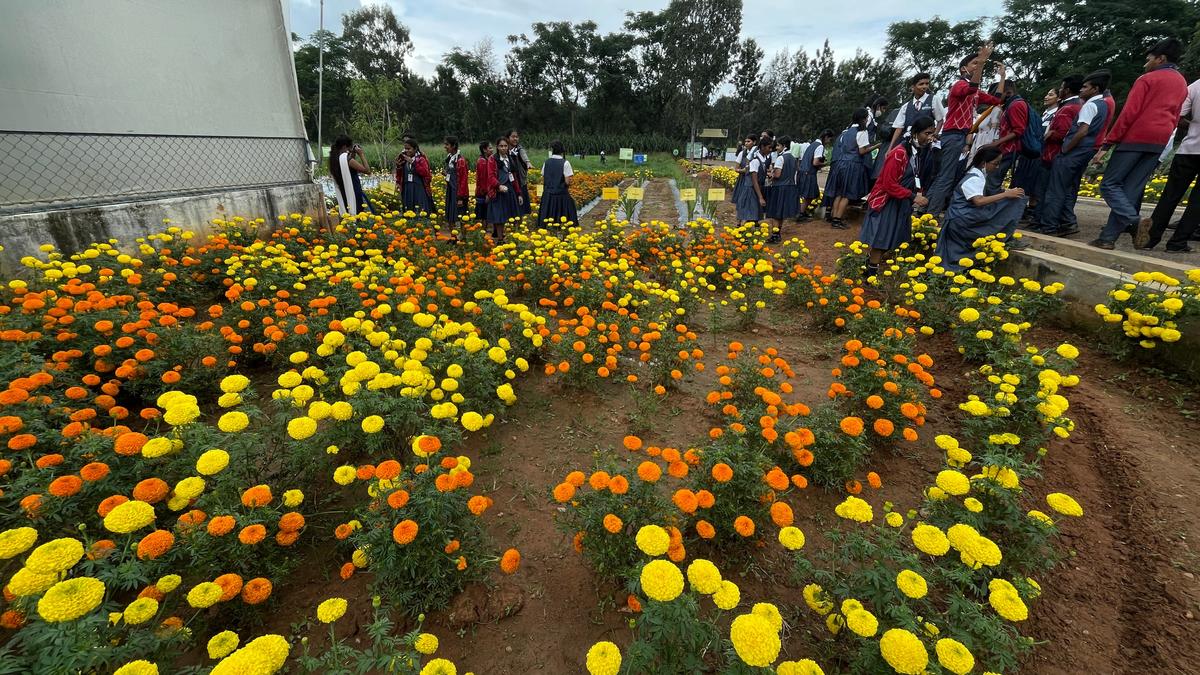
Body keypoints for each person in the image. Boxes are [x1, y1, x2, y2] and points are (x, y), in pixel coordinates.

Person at [1091, 38, 1190, 249]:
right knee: (1130, 190)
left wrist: (1109, 143)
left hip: (1136, 136)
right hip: (1159, 140)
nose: (1146, 63)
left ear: (1160, 58)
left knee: (1109, 184)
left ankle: (1135, 222)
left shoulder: (1148, 79)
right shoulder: (1182, 82)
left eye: (1149, 59)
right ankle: (1108, 238)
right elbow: (1176, 115)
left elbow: (1129, 113)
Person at [925, 44, 1005, 217]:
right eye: (974, 64)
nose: (977, 66)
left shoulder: (975, 92)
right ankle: (930, 215)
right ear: (963, 69)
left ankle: (927, 210)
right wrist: (983, 62)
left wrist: (1003, 77)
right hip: (953, 135)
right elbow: (972, 88)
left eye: (978, 63)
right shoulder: (959, 85)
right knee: (946, 178)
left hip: (960, 136)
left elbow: (996, 100)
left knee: (945, 176)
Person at [1032, 71, 1111, 237]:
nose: (1082, 90)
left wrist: (1066, 148)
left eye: (1085, 87)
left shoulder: (1089, 106)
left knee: (1056, 190)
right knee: (1068, 189)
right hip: (1085, 151)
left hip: (1074, 152)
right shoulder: (1103, 105)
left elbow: (1082, 131)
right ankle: (1067, 222)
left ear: (1095, 89)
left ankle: (1049, 225)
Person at [859, 115, 938, 278]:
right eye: (927, 133)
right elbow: (888, 184)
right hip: (887, 202)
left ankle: (868, 266)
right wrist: (912, 196)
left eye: (932, 134)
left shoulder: (917, 153)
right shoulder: (898, 154)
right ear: (915, 133)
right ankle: (870, 276)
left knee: (890, 239)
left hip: (900, 202)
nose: (930, 137)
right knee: (881, 240)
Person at [935, 146, 1030, 269]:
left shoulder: (978, 175)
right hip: (962, 219)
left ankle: (1005, 236)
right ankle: (1005, 236)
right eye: (995, 163)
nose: (997, 167)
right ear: (984, 163)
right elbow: (978, 201)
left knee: (1008, 200)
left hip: (962, 216)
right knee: (1011, 202)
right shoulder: (974, 178)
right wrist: (1006, 194)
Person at [1141, 74, 1200, 252]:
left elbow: (1178, 115)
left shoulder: (1196, 85)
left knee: (1170, 194)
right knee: (1197, 201)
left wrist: (1193, 126)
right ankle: (1178, 242)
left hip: (1188, 149)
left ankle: (1150, 239)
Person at [1028, 76, 1084, 228]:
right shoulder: (1074, 106)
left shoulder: (1069, 108)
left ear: (1066, 90)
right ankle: (1040, 220)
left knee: (1047, 191)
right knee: (1046, 190)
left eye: (1061, 88)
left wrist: (1049, 134)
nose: (1059, 90)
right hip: (1054, 154)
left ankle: (1047, 224)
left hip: (1053, 154)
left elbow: (1064, 132)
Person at [827, 108, 879, 230]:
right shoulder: (861, 131)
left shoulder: (846, 132)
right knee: (847, 194)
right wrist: (877, 146)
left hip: (841, 163)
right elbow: (862, 151)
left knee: (839, 193)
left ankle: (835, 218)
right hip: (852, 165)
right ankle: (838, 220)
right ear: (864, 119)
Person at [1020, 86, 1062, 220]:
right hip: (1035, 150)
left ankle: (1033, 209)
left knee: (1036, 181)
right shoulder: (1045, 113)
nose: (1046, 97)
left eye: (1050, 94)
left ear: (1058, 98)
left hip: (1043, 152)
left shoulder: (1056, 113)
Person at [985, 79, 1031, 195]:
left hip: (1008, 150)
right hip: (1004, 149)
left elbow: (1018, 130)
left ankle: (991, 209)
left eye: (1000, 94)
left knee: (993, 181)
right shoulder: (1011, 104)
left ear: (1008, 92)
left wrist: (996, 143)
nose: (997, 97)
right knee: (991, 180)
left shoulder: (1016, 105)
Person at [486, 136, 521, 243]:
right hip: (498, 191)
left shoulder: (510, 159)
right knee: (499, 216)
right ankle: (500, 239)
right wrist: (498, 186)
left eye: (505, 146)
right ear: (497, 147)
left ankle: (513, 238)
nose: (503, 148)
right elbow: (491, 176)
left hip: (509, 189)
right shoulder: (492, 159)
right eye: (501, 146)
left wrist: (518, 193)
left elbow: (514, 177)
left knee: (512, 215)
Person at [765, 135, 800, 242]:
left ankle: (775, 235)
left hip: (779, 187)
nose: (777, 148)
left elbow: (778, 174)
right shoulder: (794, 158)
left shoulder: (781, 158)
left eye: (778, 146)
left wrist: (771, 174)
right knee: (781, 211)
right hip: (790, 187)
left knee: (776, 212)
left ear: (784, 146)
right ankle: (778, 232)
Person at [538, 140, 578, 228]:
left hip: (548, 195)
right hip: (561, 195)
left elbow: (543, 178)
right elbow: (568, 181)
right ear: (562, 150)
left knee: (548, 220)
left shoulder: (546, 162)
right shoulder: (565, 163)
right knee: (564, 219)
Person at [329, 135, 371, 216]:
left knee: (349, 212)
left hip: (344, 190)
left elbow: (348, 169)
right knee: (359, 212)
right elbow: (367, 171)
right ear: (345, 146)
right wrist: (361, 154)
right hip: (354, 190)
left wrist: (353, 154)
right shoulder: (348, 160)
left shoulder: (334, 158)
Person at [798, 129, 835, 218]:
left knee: (810, 194)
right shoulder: (820, 146)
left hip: (804, 171)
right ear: (826, 137)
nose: (829, 142)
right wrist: (826, 163)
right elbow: (815, 163)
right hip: (809, 173)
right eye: (829, 139)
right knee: (809, 195)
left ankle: (802, 212)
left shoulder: (812, 145)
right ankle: (801, 214)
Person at [733, 136, 768, 225]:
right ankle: (739, 224)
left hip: (752, 180)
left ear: (754, 142)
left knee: (752, 204)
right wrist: (744, 170)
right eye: (746, 141)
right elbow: (736, 168)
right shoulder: (743, 153)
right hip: (744, 180)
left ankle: (753, 223)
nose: (746, 143)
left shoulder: (759, 154)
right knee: (743, 202)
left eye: (749, 141)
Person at [395, 139, 433, 215]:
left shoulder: (421, 159)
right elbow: (400, 173)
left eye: (409, 149)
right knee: (408, 207)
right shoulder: (403, 159)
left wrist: (413, 162)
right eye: (405, 149)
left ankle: (421, 223)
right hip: (407, 188)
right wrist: (398, 166)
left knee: (419, 208)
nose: (406, 151)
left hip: (418, 188)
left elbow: (425, 173)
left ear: (415, 149)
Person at [443, 136, 468, 236]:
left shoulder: (460, 161)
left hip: (457, 192)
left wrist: (460, 197)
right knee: (450, 215)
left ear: (453, 146)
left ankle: (463, 237)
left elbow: (463, 179)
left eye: (447, 145)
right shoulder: (450, 158)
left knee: (461, 216)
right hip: (450, 190)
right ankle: (453, 238)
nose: (445, 147)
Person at [506, 130, 533, 216]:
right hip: (509, 183)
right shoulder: (504, 150)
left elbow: (525, 157)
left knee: (521, 208)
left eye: (517, 137)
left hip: (520, 181)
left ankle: (519, 225)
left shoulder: (520, 149)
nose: (515, 139)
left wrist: (528, 162)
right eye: (513, 136)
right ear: (508, 138)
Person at [474, 141, 494, 224]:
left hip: (485, 191)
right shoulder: (482, 162)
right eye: (490, 148)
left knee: (484, 214)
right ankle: (483, 232)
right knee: (483, 214)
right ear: (484, 150)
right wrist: (486, 193)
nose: (492, 150)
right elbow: (483, 179)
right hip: (483, 192)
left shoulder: (486, 160)